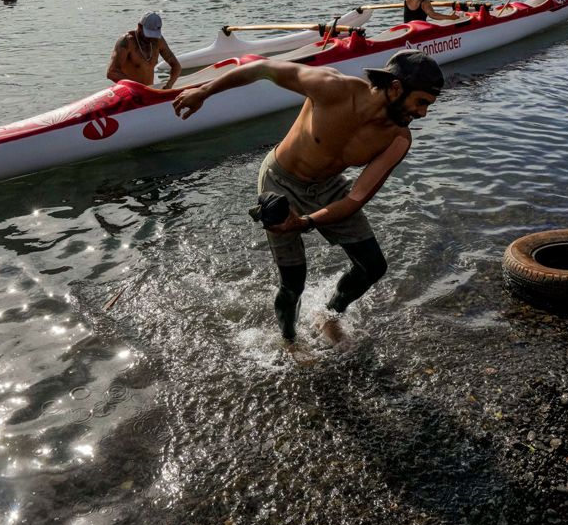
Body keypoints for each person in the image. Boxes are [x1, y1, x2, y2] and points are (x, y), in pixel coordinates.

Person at [171, 50, 444, 350]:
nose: (423, 114)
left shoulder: (398, 139)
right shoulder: (331, 87)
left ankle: (328, 315)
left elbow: (355, 198)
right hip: (281, 180)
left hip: (329, 186)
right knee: (293, 282)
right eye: (421, 103)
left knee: (373, 266)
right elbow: (262, 68)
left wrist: (305, 222)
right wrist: (204, 91)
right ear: (395, 88)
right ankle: (289, 342)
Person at [107, 12, 181, 89]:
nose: (151, 38)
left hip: (149, 92)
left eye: (154, 35)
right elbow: (112, 72)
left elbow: (176, 66)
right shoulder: (127, 42)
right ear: (139, 26)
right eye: (148, 34)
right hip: (130, 91)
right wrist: (137, 88)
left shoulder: (158, 41)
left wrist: (169, 85)